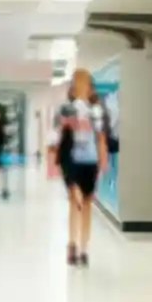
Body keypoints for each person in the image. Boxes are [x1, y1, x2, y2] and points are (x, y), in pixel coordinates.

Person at [60, 70, 108, 266]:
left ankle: (82, 248)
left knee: (85, 205)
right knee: (76, 201)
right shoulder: (67, 109)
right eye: (77, 84)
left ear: (89, 88)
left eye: (84, 84)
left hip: (90, 162)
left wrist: (103, 161)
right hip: (72, 161)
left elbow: (101, 138)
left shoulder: (96, 110)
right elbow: (60, 136)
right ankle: (73, 244)